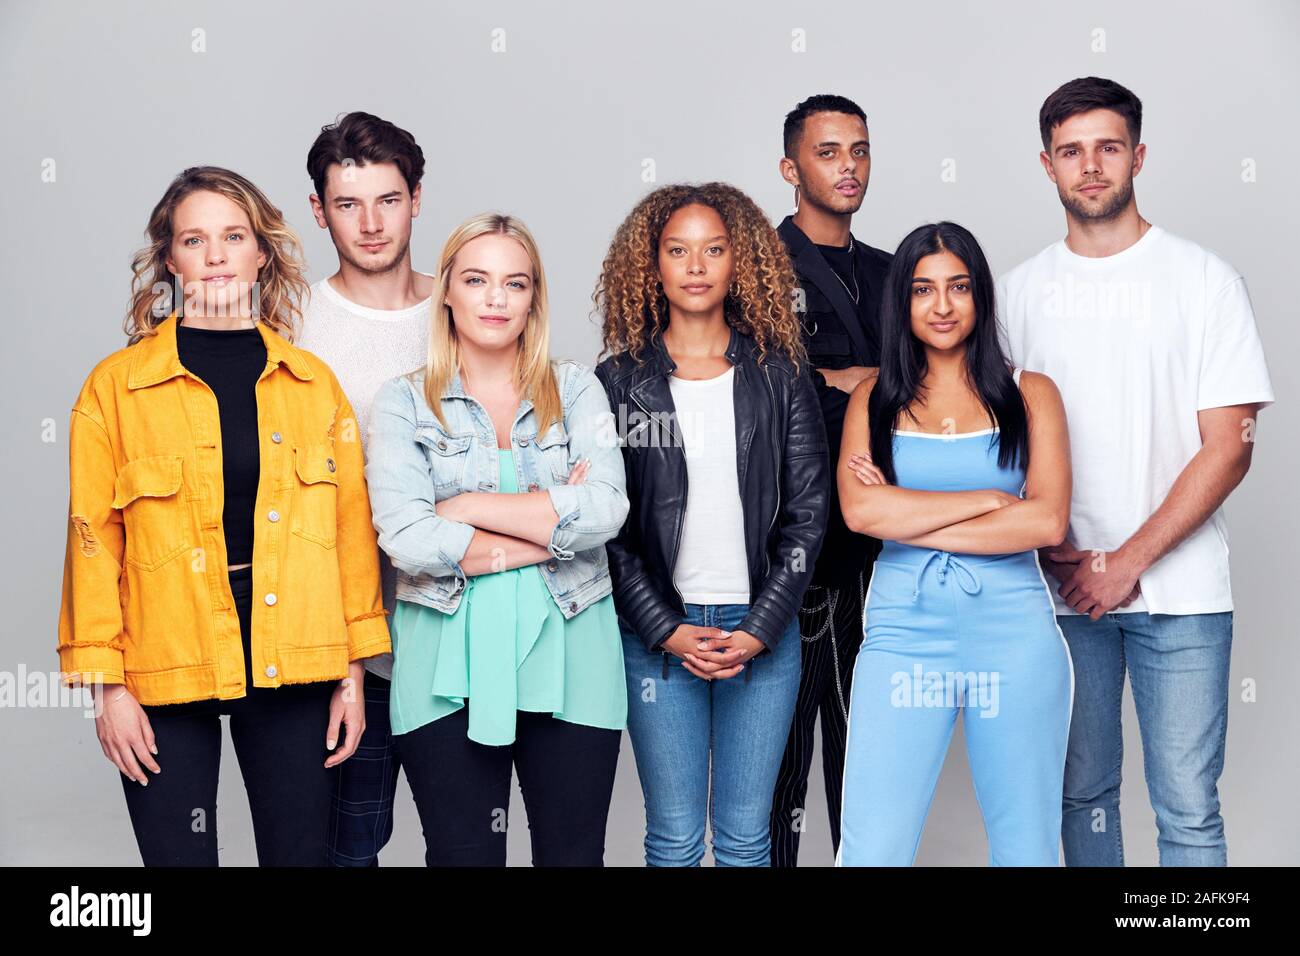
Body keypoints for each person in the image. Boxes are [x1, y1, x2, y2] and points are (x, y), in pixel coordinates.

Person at [57, 166, 389, 866]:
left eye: (233, 236)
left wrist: (353, 675)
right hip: (164, 651)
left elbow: (349, 538)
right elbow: (92, 544)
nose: (214, 256)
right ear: (169, 258)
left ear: (260, 253)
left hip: (295, 649)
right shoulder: (114, 390)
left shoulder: (312, 385)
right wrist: (108, 688)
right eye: (194, 239)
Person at [997, 76, 1275, 867]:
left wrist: (1126, 563)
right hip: (1058, 596)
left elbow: (1230, 445)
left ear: (1138, 157)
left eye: (1108, 149)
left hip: (1181, 596)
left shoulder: (1204, 281)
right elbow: (998, 446)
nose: (1091, 167)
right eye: (1072, 151)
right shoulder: (1016, 295)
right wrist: (1061, 553)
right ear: (1047, 165)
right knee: (1079, 797)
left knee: (1187, 809)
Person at [365, 213, 630, 866]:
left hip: (576, 660)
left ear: (533, 298)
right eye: (477, 279)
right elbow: (407, 536)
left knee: (573, 858)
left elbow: (606, 511)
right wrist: (551, 530)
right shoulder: (401, 404)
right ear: (446, 290)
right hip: (441, 665)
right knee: (464, 859)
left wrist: (468, 505)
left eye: (515, 283)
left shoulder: (576, 390)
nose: (495, 297)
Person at [594, 182, 829, 866]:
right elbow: (608, 528)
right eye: (678, 250)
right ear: (653, 265)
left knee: (746, 840)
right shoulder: (617, 383)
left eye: (714, 249)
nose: (696, 266)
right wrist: (662, 628)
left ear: (740, 262)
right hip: (656, 637)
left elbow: (808, 516)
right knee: (671, 839)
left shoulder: (780, 376)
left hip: (763, 630)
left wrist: (760, 628)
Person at [836, 221, 1074, 866]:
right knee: (872, 850)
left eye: (958, 287)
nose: (941, 307)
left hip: (1014, 636)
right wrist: (987, 500)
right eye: (922, 290)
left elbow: (1047, 523)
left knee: (1026, 845)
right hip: (904, 635)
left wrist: (907, 513)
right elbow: (860, 512)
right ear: (902, 302)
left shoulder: (1032, 394)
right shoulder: (873, 398)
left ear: (980, 296)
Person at [299, 110, 433, 867]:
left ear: (417, 196)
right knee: (346, 845)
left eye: (388, 199)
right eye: (348, 204)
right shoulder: (289, 322)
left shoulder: (467, 303)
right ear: (319, 211)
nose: (371, 223)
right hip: (343, 636)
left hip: (457, 621)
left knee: (468, 837)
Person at [771, 92, 893, 865]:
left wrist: (856, 379)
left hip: (882, 558)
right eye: (827, 152)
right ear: (790, 167)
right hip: (791, 557)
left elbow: (933, 391)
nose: (847, 167)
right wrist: (863, 384)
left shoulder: (895, 271)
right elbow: (771, 395)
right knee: (777, 782)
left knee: (868, 773)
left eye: (859, 151)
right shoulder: (755, 271)